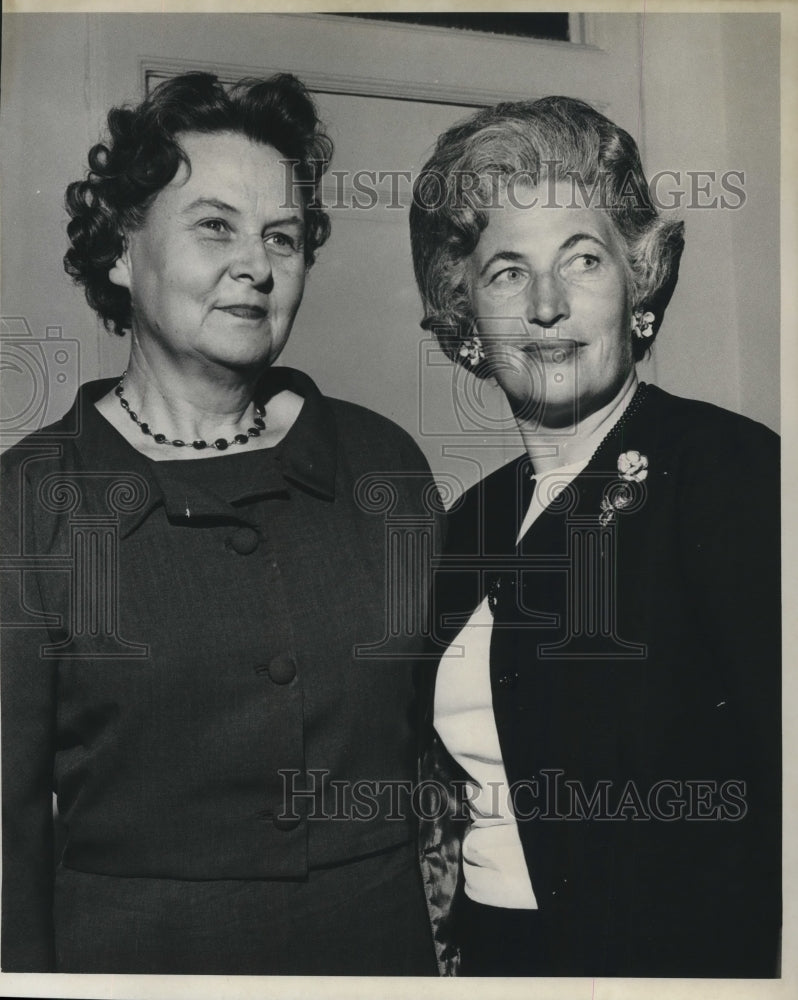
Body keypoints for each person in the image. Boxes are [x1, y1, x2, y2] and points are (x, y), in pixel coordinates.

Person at [0, 71, 441, 975]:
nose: (258, 265)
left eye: (283, 236)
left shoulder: (382, 465)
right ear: (119, 251)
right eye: (215, 226)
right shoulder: (34, 496)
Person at [409, 96, 781, 977]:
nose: (547, 305)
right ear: (467, 315)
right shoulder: (469, 522)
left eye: (582, 259)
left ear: (637, 282)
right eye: (508, 272)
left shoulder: (727, 471)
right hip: (497, 960)